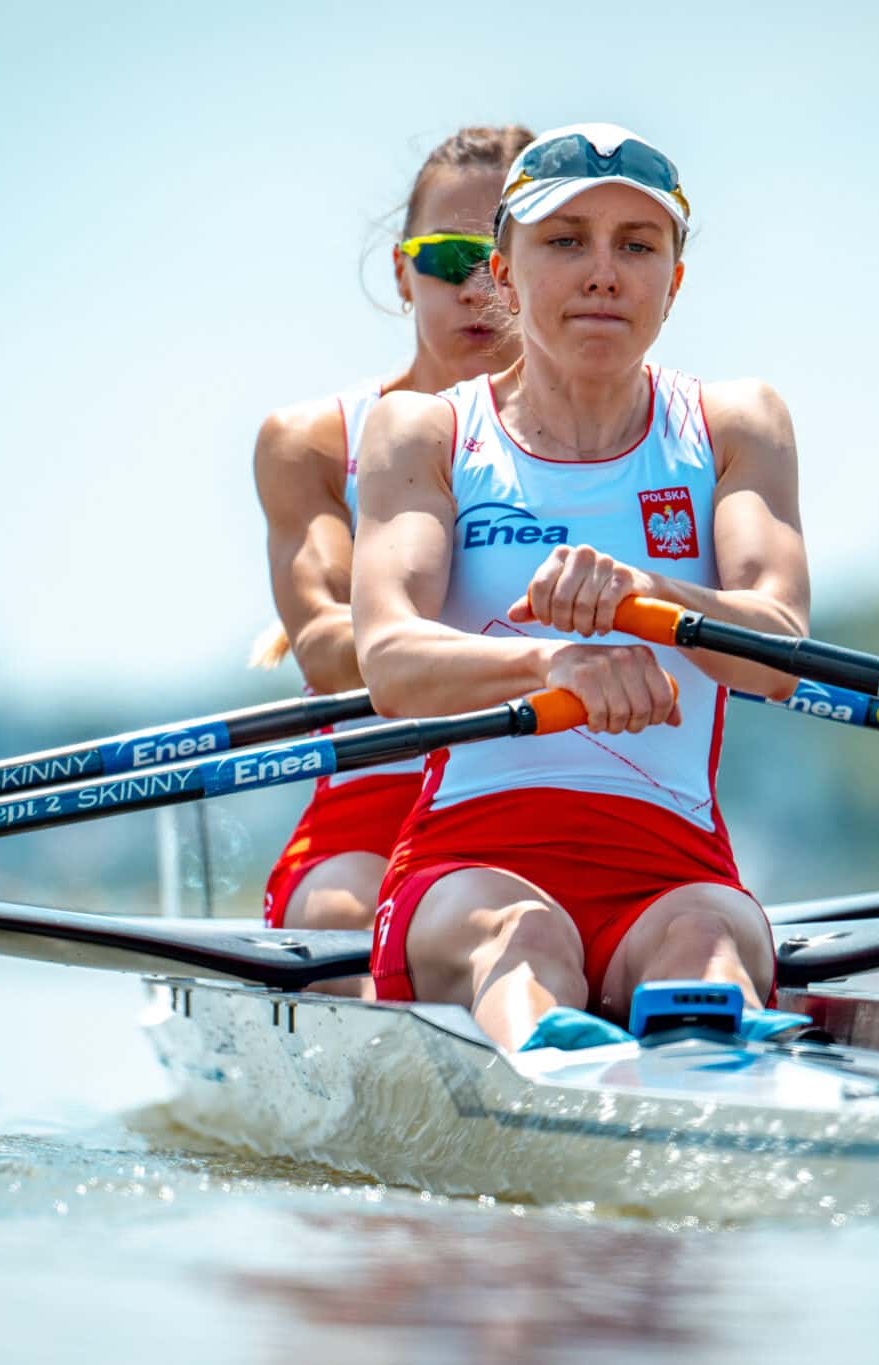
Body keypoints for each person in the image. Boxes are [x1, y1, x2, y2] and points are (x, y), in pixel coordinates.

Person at [350, 124, 812, 1051]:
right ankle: (560, 1066)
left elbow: (777, 653)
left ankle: (710, 1075)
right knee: (528, 938)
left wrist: (648, 593)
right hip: (465, 862)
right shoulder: (425, 433)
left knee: (708, 939)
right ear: (504, 274)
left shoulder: (734, 424)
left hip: (673, 868)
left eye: (636, 247)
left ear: (673, 283)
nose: (604, 273)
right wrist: (553, 662)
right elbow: (391, 660)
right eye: (566, 241)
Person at [253, 124, 533, 932]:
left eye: (503, 258)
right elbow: (328, 651)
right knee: (349, 917)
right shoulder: (311, 441)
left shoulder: (621, 442)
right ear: (402, 273)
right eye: (449, 259)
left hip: (543, 793)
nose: (477, 289)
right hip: (371, 806)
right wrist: (543, 657)